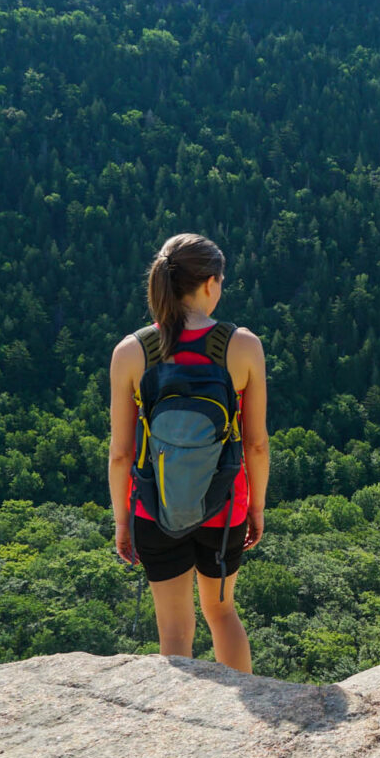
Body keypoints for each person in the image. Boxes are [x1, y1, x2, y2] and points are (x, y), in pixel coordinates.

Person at [107, 232, 269, 674]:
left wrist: (123, 521)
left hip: (154, 507)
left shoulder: (132, 352)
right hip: (224, 509)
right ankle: (248, 725)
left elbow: (121, 452)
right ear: (211, 283)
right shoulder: (242, 346)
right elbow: (256, 442)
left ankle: (179, 726)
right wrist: (255, 507)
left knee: (175, 630)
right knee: (221, 613)